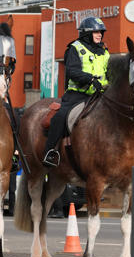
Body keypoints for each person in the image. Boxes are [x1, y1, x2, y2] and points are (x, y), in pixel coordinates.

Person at [41, 16, 110, 167]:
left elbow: (109, 72)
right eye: (96, 32)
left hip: (99, 95)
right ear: (86, 33)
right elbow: (72, 71)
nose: (99, 35)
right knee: (60, 116)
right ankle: (50, 151)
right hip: (77, 94)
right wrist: (91, 79)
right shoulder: (75, 48)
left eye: (101, 32)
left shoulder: (104, 52)